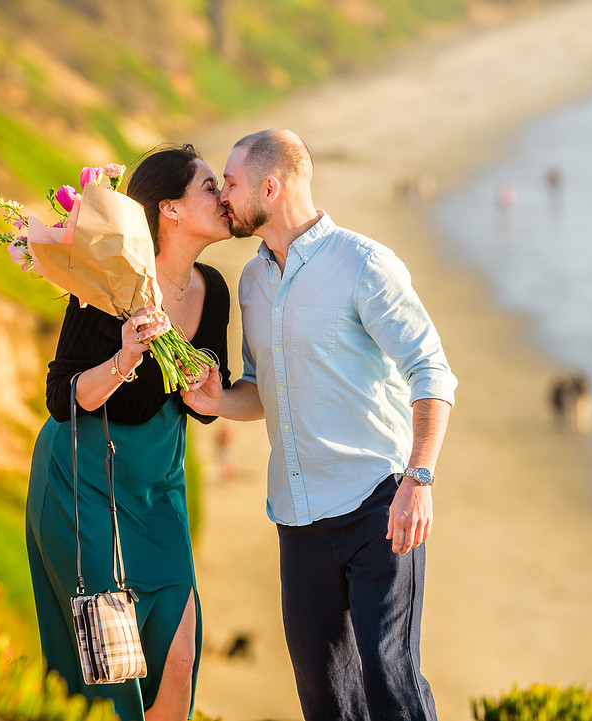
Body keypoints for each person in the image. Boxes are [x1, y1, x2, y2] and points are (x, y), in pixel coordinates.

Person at [183, 129, 457, 720]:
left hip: (377, 508)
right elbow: (260, 392)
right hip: (297, 522)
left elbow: (432, 373)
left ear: (271, 187)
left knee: (390, 681)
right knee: (324, 698)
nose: (223, 195)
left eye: (231, 183)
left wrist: (420, 479)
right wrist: (217, 401)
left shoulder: (364, 264)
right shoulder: (253, 282)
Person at [26, 144, 233, 721]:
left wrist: (207, 390)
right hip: (84, 488)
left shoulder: (211, 289)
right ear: (169, 208)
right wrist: (125, 358)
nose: (224, 197)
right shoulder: (107, 282)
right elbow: (63, 399)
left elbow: (205, 405)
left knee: (180, 652)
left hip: (159, 491)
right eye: (210, 186)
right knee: (110, 668)